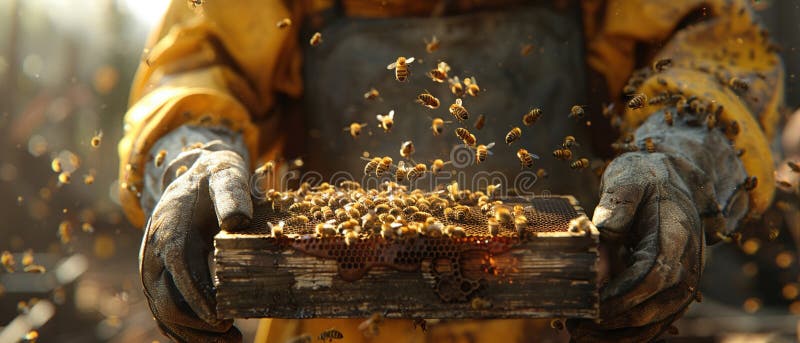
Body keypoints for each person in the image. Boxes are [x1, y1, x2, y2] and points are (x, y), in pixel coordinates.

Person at [118, 0, 793, 341]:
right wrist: (190, 157)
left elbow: (713, 43)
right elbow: (191, 67)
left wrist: (678, 157)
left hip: (571, 317)